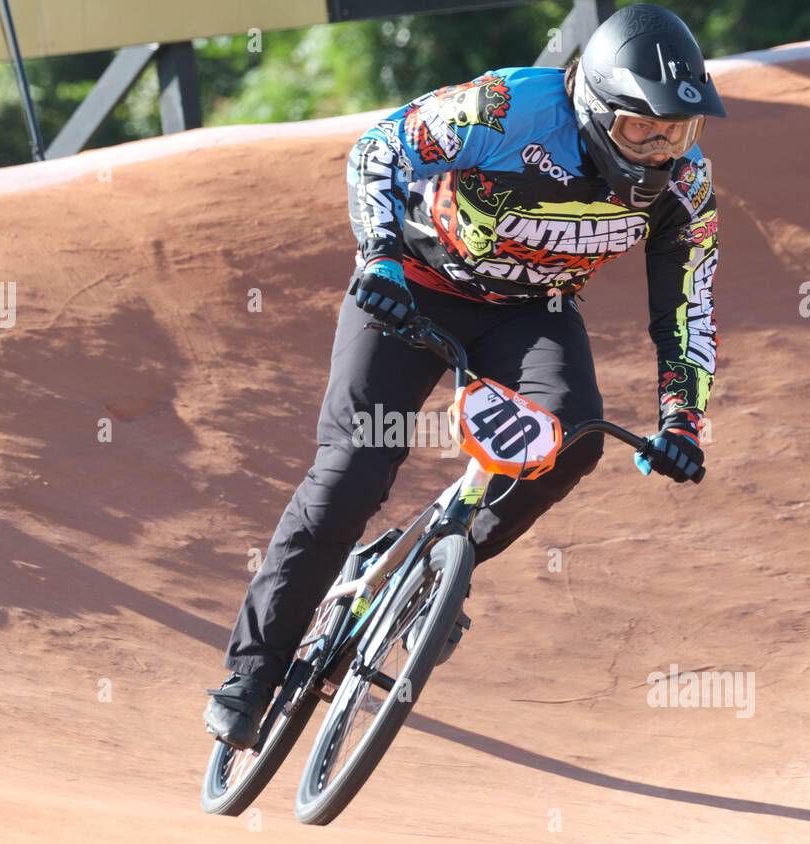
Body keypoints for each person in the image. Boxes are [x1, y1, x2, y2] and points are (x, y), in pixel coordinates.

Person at [204, 3, 725, 749]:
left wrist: (682, 420)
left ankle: (439, 577)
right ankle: (252, 673)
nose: (661, 149)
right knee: (351, 473)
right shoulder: (507, 108)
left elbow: (688, 307)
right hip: (414, 286)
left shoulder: (685, 188)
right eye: (642, 128)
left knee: (573, 443)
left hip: (532, 311)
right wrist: (380, 257)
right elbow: (380, 148)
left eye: (680, 130)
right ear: (593, 106)